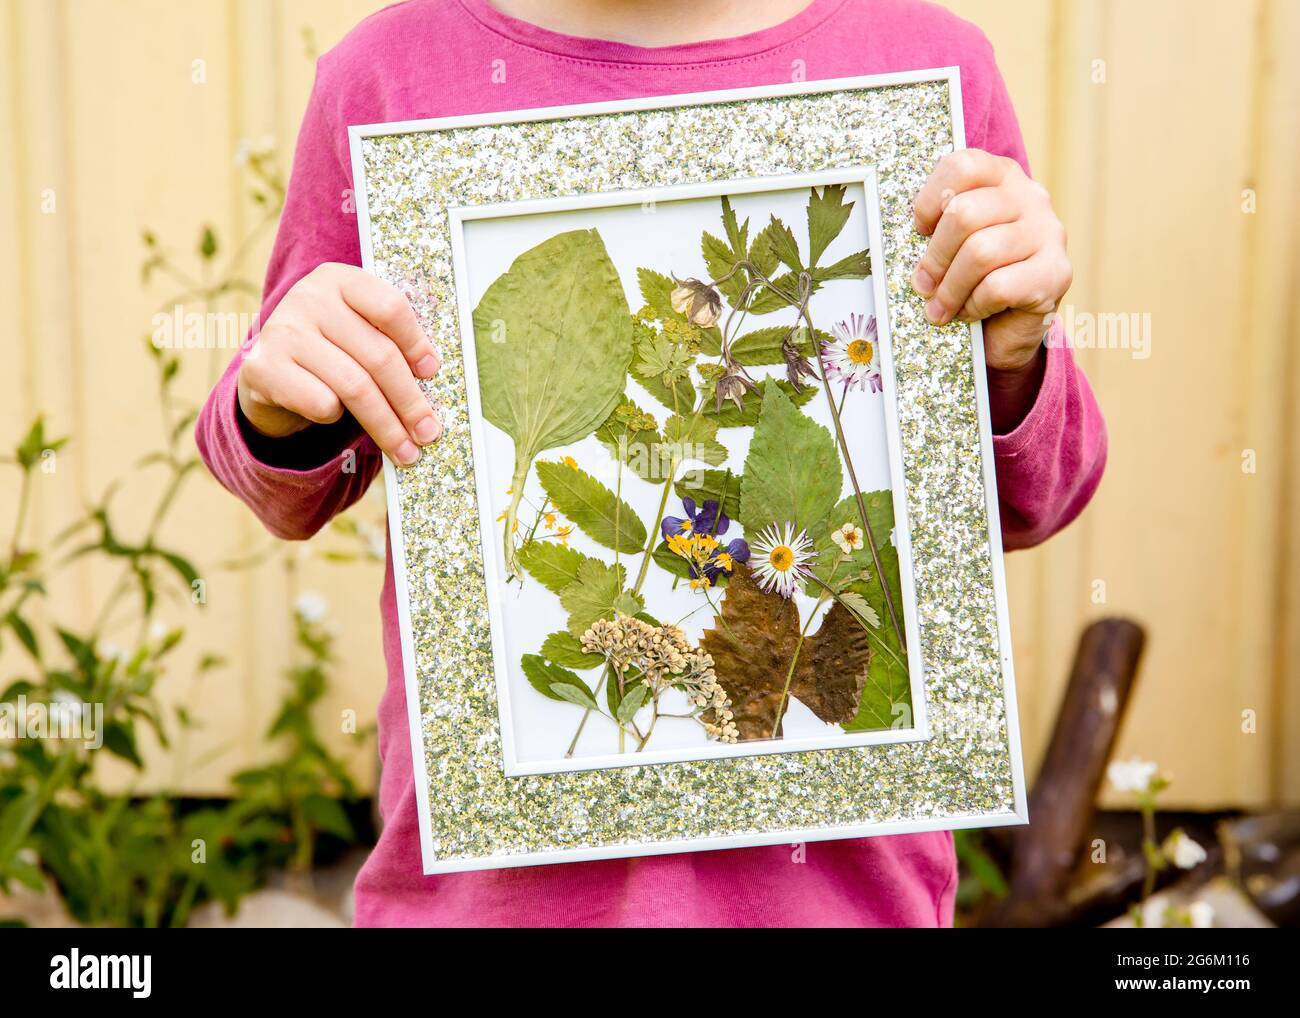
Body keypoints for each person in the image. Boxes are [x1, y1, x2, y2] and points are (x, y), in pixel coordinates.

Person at [197, 0, 1107, 927]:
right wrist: (276, 401)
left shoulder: (924, 67)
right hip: (490, 902)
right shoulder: (388, 74)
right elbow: (289, 482)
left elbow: (1040, 493)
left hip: (831, 902)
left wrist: (1012, 356)